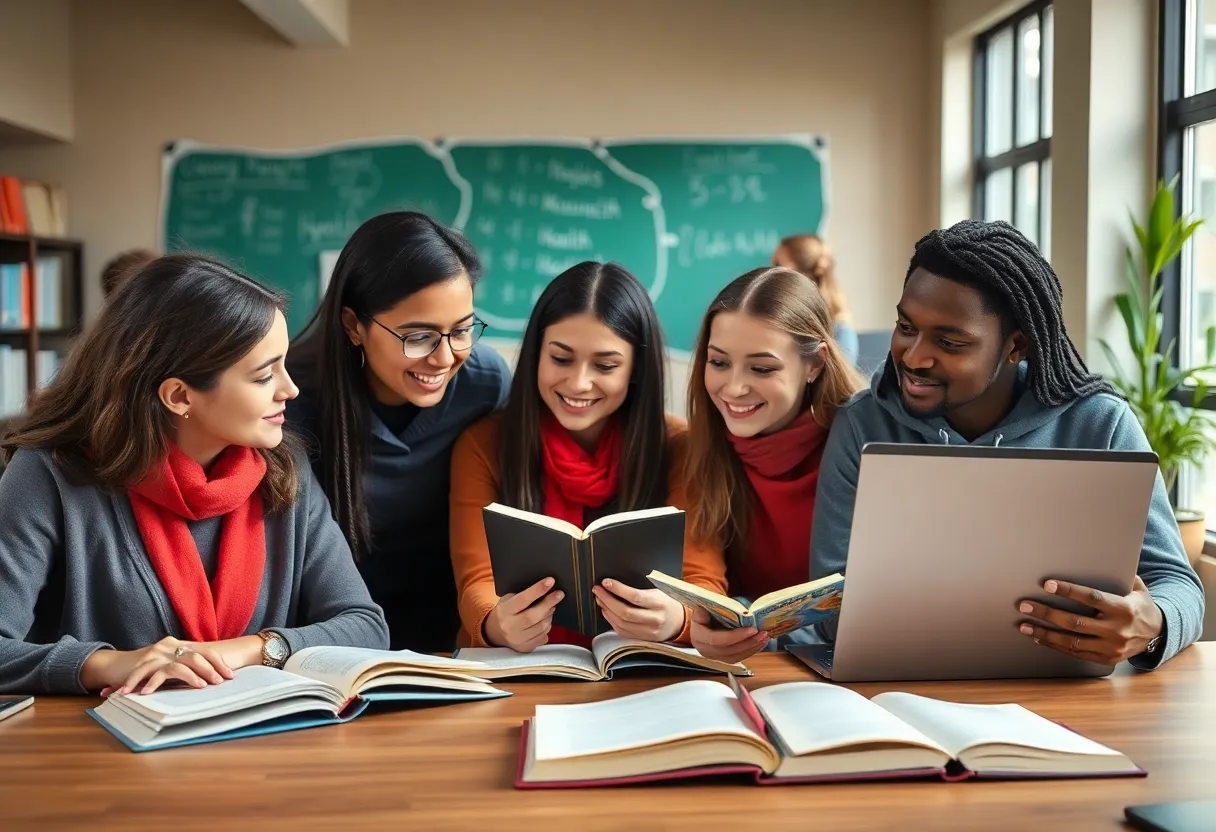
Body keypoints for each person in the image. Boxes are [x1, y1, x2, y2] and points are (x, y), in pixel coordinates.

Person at [810, 220, 1205, 669]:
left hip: (1066, 699)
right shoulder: (863, 424)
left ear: (1016, 346)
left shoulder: (1102, 424)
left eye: (949, 341)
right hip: (899, 689)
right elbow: (828, 604)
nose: (915, 356)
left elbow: (1177, 583)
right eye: (906, 326)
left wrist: (1152, 622)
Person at [0, 255, 389, 695]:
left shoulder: (283, 470)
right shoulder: (48, 473)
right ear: (180, 395)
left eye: (283, 365)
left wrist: (246, 651)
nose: (290, 389)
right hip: (101, 750)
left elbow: (365, 626)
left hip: (260, 747)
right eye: (264, 376)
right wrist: (108, 664)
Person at [449, 261, 727, 651]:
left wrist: (677, 618)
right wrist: (497, 623)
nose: (579, 383)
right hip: (515, 672)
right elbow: (476, 581)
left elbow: (704, 585)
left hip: (640, 673)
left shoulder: (680, 445)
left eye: (605, 365)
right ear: (536, 356)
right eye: (561, 359)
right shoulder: (484, 444)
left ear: (635, 369)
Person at [286, 211, 510, 653]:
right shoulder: (291, 396)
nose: (445, 358)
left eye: (462, 330)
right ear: (354, 326)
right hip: (331, 637)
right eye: (419, 336)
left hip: (458, 633)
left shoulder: (485, 383)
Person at [679, 267, 864, 664]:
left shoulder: (861, 447)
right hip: (746, 670)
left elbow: (869, 603)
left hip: (843, 667)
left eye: (761, 368)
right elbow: (704, 579)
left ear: (814, 365)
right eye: (719, 362)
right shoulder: (702, 448)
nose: (734, 388)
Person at [773, 234, 860, 366]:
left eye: (778, 265)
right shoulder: (778, 321)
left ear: (802, 273)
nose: (771, 272)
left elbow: (839, 384)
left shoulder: (840, 332)